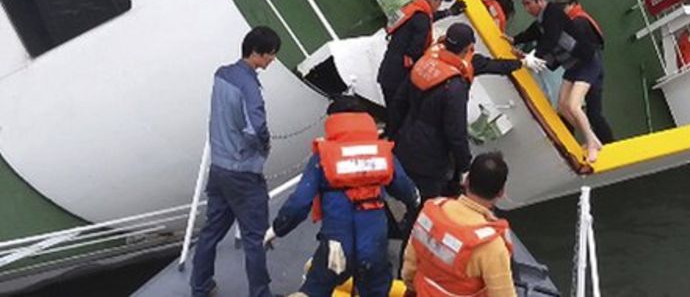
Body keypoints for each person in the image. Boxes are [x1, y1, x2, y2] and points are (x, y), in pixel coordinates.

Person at [263, 96, 420, 297]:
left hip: (336, 245)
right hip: (374, 244)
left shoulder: (323, 156)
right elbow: (405, 189)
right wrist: (415, 199)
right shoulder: (381, 153)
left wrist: (277, 229)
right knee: (376, 289)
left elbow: (299, 203)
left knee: (315, 289)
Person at [390, 23, 542, 199]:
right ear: (469, 47)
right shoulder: (454, 86)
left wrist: (394, 134)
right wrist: (465, 166)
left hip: (407, 139)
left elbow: (399, 101)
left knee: (404, 191)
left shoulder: (426, 61)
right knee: (426, 201)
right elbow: (456, 132)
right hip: (432, 156)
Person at [191, 26, 281, 297]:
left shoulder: (221, 75)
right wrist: (264, 145)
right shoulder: (249, 85)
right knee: (254, 238)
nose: (272, 60)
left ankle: (200, 285)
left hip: (219, 168)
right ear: (257, 53)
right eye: (271, 55)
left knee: (211, 231)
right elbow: (256, 127)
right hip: (243, 172)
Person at [510, 0, 603, 163]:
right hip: (573, 67)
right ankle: (592, 138)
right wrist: (515, 39)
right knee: (562, 106)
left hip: (587, 64)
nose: (527, 8)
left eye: (529, 3)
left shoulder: (552, 14)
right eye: (524, 5)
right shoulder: (542, 19)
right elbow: (533, 32)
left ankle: (591, 143)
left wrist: (533, 55)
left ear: (541, 0)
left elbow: (551, 38)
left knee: (574, 105)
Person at [401, 152, 515, 297]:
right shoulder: (492, 246)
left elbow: (410, 261)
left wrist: (411, 288)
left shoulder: (432, 210)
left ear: (466, 180)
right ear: (501, 192)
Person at [378, 0, 467, 110]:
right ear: (431, 0)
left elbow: (425, 18)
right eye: (439, 1)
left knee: (392, 110)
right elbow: (416, 51)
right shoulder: (422, 20)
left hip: (387, 71)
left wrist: (449, 12)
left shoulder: (411, 8)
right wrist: (440, 48)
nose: (440, 4)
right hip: (398, 79)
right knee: (397, 113)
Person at [554, 0, 614, 144]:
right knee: (574, 107)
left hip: (588, 68)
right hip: (586, 67)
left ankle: (605, 142)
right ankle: (595, 140)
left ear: (573, 4)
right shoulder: (579, 19)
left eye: (563, 7)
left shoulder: (578, 22)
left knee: (582, 109)